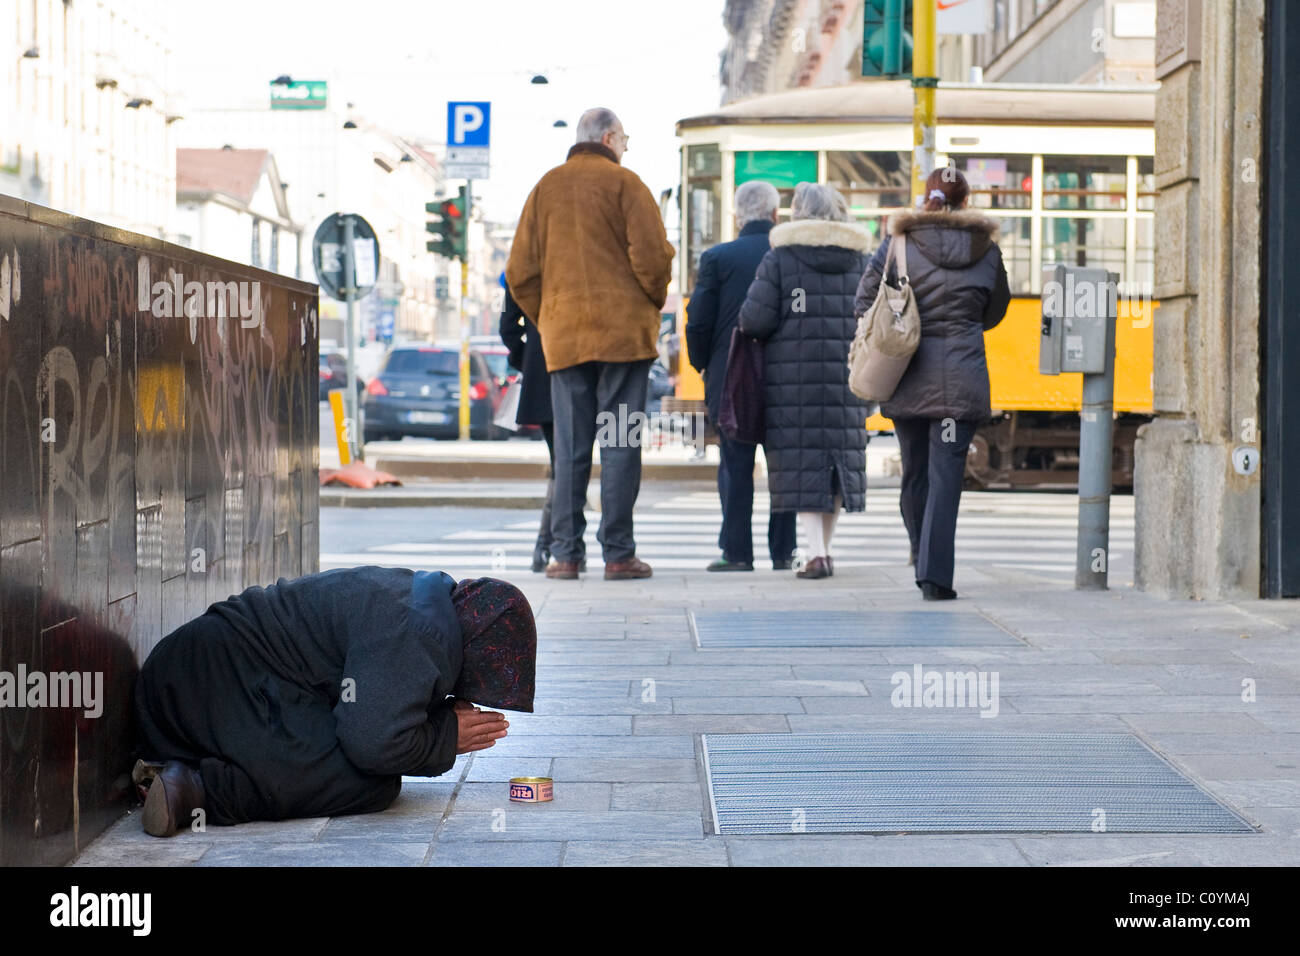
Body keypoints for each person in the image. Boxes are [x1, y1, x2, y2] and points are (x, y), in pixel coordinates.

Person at [132, 567, 536, 837]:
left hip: (207, 680)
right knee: (364, 782)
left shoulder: (424, 606)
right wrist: (445, 738)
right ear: (477, 647)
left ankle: (189, 774)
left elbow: (371, 705)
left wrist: (433, 721)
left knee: (356, 761)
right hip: (202, 685)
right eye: (480, 683)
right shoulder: (418, 635)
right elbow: (372, 743)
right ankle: (198, 790)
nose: (469, 697)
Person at [506, 107, 675, 581]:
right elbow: (652, 258)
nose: (625, 147)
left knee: (571, 449)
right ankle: (619, 554)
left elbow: (520, 273)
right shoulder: (628, 185)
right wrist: (647, 303)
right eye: (624, 139)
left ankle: (565, 556)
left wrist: (551, 318)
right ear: (607, 138)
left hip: (565, 342)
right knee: (621, 444)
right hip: (623, 342)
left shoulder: (545, 189)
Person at [853, 168, 1010, 600]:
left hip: (906, 374)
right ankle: (935, 575)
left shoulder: (898, 243)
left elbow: (864, 301)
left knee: (916, 474)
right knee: (946, 479)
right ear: (965, 202)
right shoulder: (987, 250)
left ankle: (920, 554)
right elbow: (995, 312)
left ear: (926, 198)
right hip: (961, 379)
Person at [738, 183, 873, 580]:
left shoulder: (780, 258)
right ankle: (824, 551)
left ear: (798, 212)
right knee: (834, 469)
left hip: (792, 381)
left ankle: (816, 554)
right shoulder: (860, 260)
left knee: (803, 466)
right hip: (847, 378)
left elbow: (754, 319)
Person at [685, 180, 797, 572]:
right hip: (784, 377)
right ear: (775, 215)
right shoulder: (788, 254)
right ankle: (784, 551)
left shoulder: (717, 258)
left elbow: (698, 321)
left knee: (734, 464)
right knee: (783, 464)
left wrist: (705, 365)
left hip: (730, 375)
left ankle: (736, 552)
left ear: (736, 216)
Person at [499, 287, 585, 573]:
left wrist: (527, 357)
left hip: (542, 371)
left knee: (562, 464)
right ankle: (556, 544)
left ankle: (551, 546)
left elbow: (507, 326)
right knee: (569, 463)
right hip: (583, 365)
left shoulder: (523, 264)